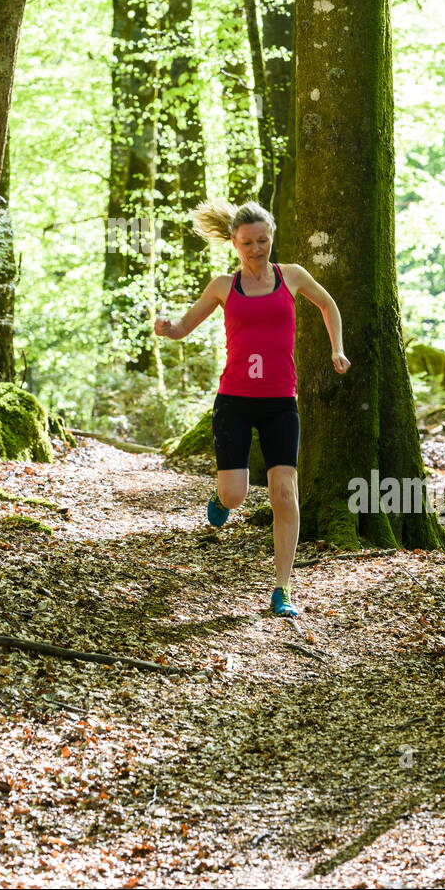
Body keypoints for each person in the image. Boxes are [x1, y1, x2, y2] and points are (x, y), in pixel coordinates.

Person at [153, 198, 350, 619]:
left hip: (281, 402)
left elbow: (328, 304)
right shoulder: (223, 286)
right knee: (236, 493)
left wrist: (337, 348)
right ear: (233, 243)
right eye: (247, 243)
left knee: (283, 493)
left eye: (262, 240)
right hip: (235, 403)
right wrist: (169, 328)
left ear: (271, 238)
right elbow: (185, 326)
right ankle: (222, 501)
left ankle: (283, 588)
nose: (256, 249)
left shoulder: (292, 276)